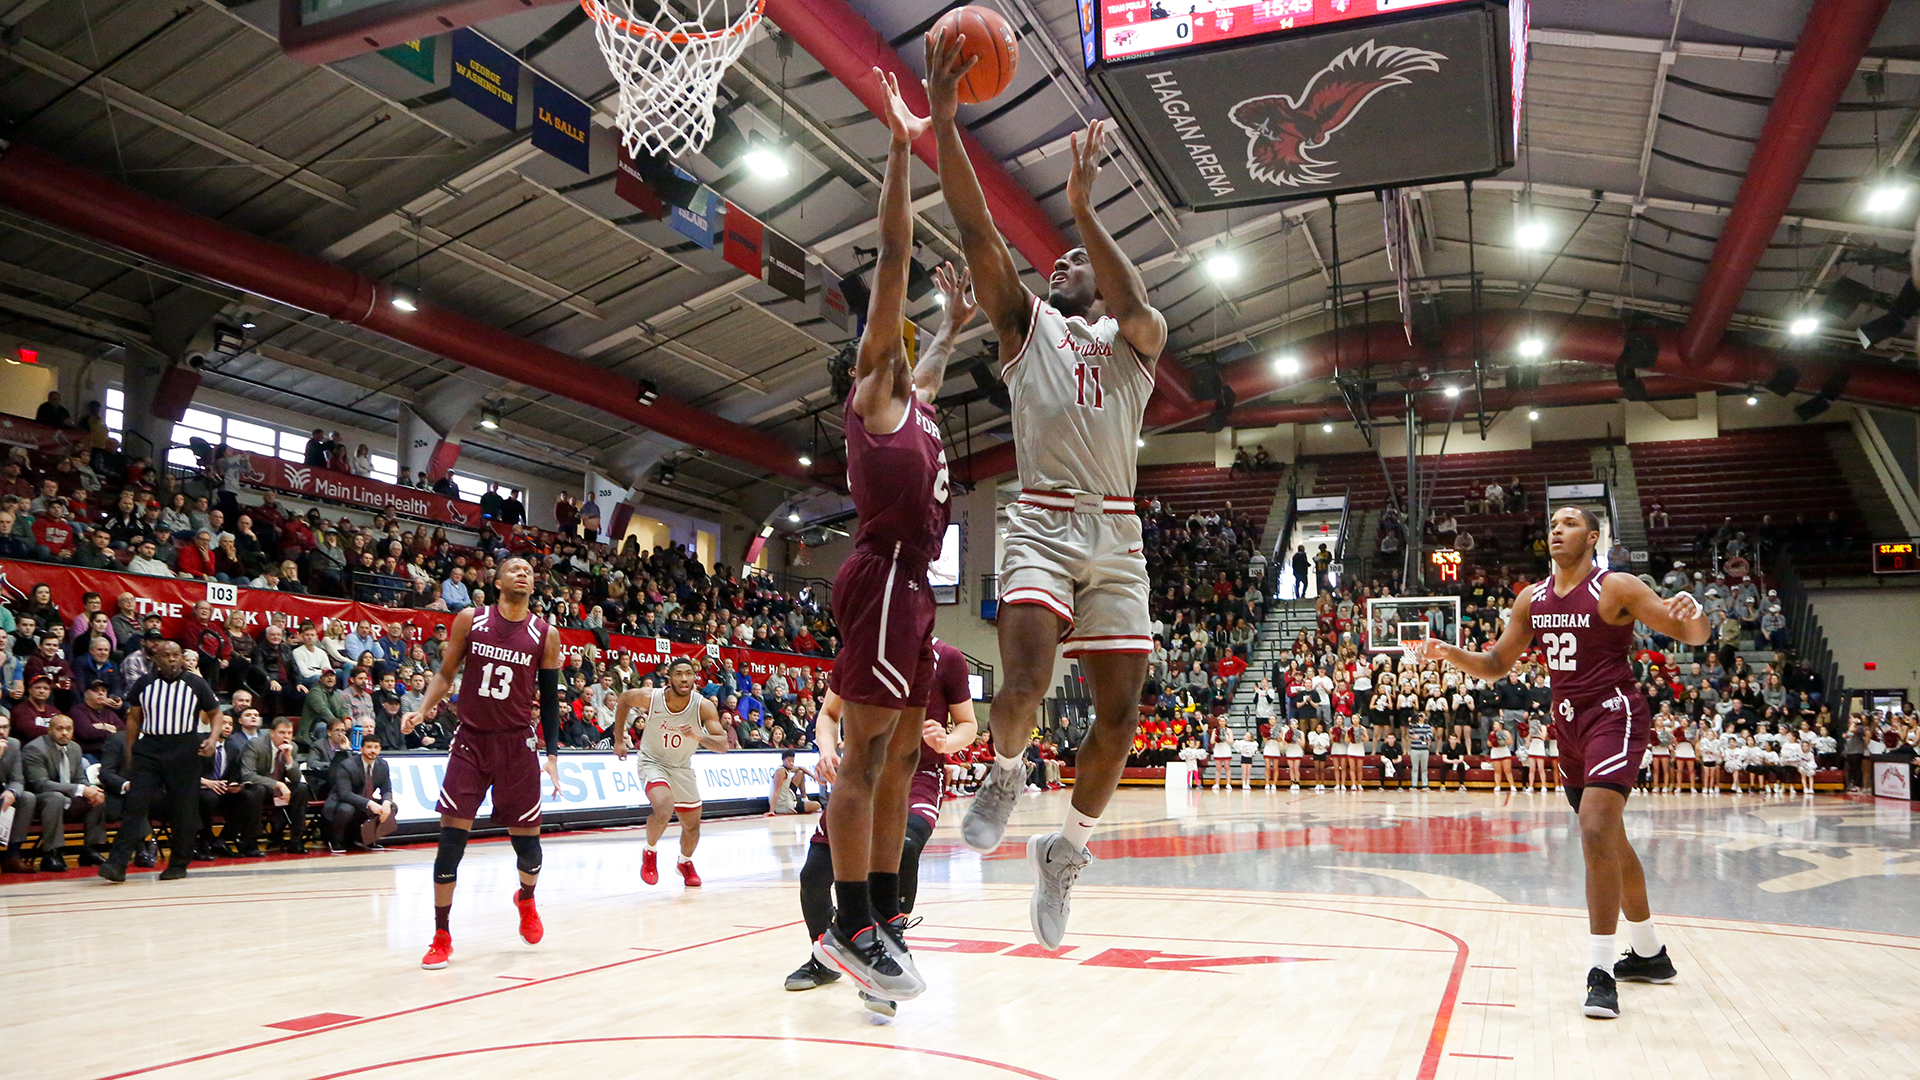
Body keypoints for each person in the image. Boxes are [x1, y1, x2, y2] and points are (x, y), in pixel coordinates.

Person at [932, 34, 1168, 953]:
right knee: (1027, 678)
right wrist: (947, 126)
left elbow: (1140, 302)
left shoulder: (1135, 343)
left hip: (1117, 533)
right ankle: (1005, 770)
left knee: (1122, 715)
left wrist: (1084, 209)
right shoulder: (1025, 327)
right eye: (1062, 258)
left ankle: (1068, 851)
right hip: (1038, 518)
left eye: (1080, 260)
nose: (1064, 263)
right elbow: (978, 231)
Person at [806, 68, 974, 1006]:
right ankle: (849, 922)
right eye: (901, 333)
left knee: (905, 756)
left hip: (915, 591)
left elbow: (937, 358)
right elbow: (895, 249)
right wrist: (905, 146)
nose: (908, 336)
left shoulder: (919, 404)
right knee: (869, 755)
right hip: (881, 581)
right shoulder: (876, 392)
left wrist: (955, 321)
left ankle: (878, 918)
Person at [1417, 506, 1708, 1019]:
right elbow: (1495, 665)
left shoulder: (1615, 586)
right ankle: (1649, 954)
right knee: (1611, 839)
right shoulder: (1532, 598)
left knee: (1595, 828)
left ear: (1593, 538)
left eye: (1570, 523)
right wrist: (1450, 654)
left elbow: (1690, 634)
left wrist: (1695, 614)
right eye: (1552, 522)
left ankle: (1600, 972)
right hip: (1567, 724)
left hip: (1614, 713)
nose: (1556, 529)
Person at [788, 638, 977, 1019]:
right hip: (862, 774)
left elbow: (969, 725)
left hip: (919, 774)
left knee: (903, 849)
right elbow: (828, 714)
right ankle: (827, 956)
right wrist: (827, 750)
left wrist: (946, 741)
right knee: (814, 873)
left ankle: (887, 953)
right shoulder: (858, 650)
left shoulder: (947, 658)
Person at [401, 557, 562, 970]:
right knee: (450, 846)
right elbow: (446, 671)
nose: (523, 573)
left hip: (517, 746)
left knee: (529, 851)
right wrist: (422, 708)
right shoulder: (470, 619)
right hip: (471, 742)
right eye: (514, 568)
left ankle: (525, 899)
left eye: (529, 569)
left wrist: (553, 755)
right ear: (497, 580)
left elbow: (548, 701)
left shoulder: (545, 634)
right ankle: (441, 934)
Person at [98, 641, 224, 882]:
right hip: (150, 747)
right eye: (166, 655)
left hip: (185, 747)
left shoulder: (196, 683)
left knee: (184, 809)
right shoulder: (144, 683)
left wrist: (212, 738)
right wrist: (130, 750)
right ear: (156, 658)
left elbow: (216, 713)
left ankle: (178, 863)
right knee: (135, 805)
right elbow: (134, 716)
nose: (172, 659)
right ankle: (117, 864)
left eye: (176, 655)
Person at [612, 657, 727, 887]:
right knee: (663, 807)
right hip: (652, 761)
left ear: (695, 677)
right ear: (670, 678)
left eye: (688, 673)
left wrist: (699, 736)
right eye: (678, 674)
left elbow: (723, 744)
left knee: (692, 826)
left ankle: (684, 862)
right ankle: (650, 851)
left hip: (682, 768)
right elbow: (624, 699)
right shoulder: (653, 697)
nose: (684, 678)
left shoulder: (703, 705)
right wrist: (618, 739)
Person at [22, 713, 108, 870]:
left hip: (67, 797)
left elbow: (79, 778)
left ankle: (90, 849)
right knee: (55, 797)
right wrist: (81, 789)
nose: (64, 733)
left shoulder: (75, 748)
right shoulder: (34, 749)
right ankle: (51, 853)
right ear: (49, 730)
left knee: (97, 796)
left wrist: (90, 788)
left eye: (68, 729)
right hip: (40, 800)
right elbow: (40, 784)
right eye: (59, 729)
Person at [241, 717, 311, 854]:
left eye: (289, 733)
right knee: (257, 791)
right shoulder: (256, 744)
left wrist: (289, 758)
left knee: (301, 789)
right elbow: (247, 775)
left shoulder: (293, 747)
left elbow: (296, 779)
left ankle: (295, 840)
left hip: (277, 791)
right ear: (271, 733)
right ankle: (251, 842)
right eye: (282, 732)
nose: (286, 736)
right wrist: (277, 784)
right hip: (257, 789)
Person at [323, 735, 394, 852]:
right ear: (361, 749)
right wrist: (369, 803)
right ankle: (336, 841)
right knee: (347, 809)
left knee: (391, 807)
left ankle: (369, 839)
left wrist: (387, 802)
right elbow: (345, 793)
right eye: (369, 747)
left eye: (376, 747)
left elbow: (386, 789)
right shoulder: (347, 765)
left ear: (380, 749)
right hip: (341, 802)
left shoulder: (383, 765)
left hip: (364, 801)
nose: (373, 750)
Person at [771, 751, 820, 816]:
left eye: (792, 761)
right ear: (783, 760)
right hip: (784, 805)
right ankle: (800, 803)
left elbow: (800, 768)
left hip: (788, 795)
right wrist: (771, 811)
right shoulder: (780, 772)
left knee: (800, 773)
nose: (791, 763)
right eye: (789, 761)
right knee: (817, 805)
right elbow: (776, 791)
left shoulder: (786, 768)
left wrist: (813, 776)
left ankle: (805, 798)